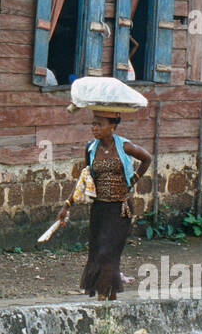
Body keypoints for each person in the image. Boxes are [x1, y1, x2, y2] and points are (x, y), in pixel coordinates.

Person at [56, 111, 152, 299]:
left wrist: (133, 180)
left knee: (108, 252)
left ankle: (104, 297)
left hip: (120, 209)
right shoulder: (91, 149)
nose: (94, 128)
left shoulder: (124, 146)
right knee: (97, 252)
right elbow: (84, 178)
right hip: (99, 209)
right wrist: (67, 205)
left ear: (112, 127)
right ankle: (109, 298)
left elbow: (147, 158)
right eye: (93, 124)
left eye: (99, 124)